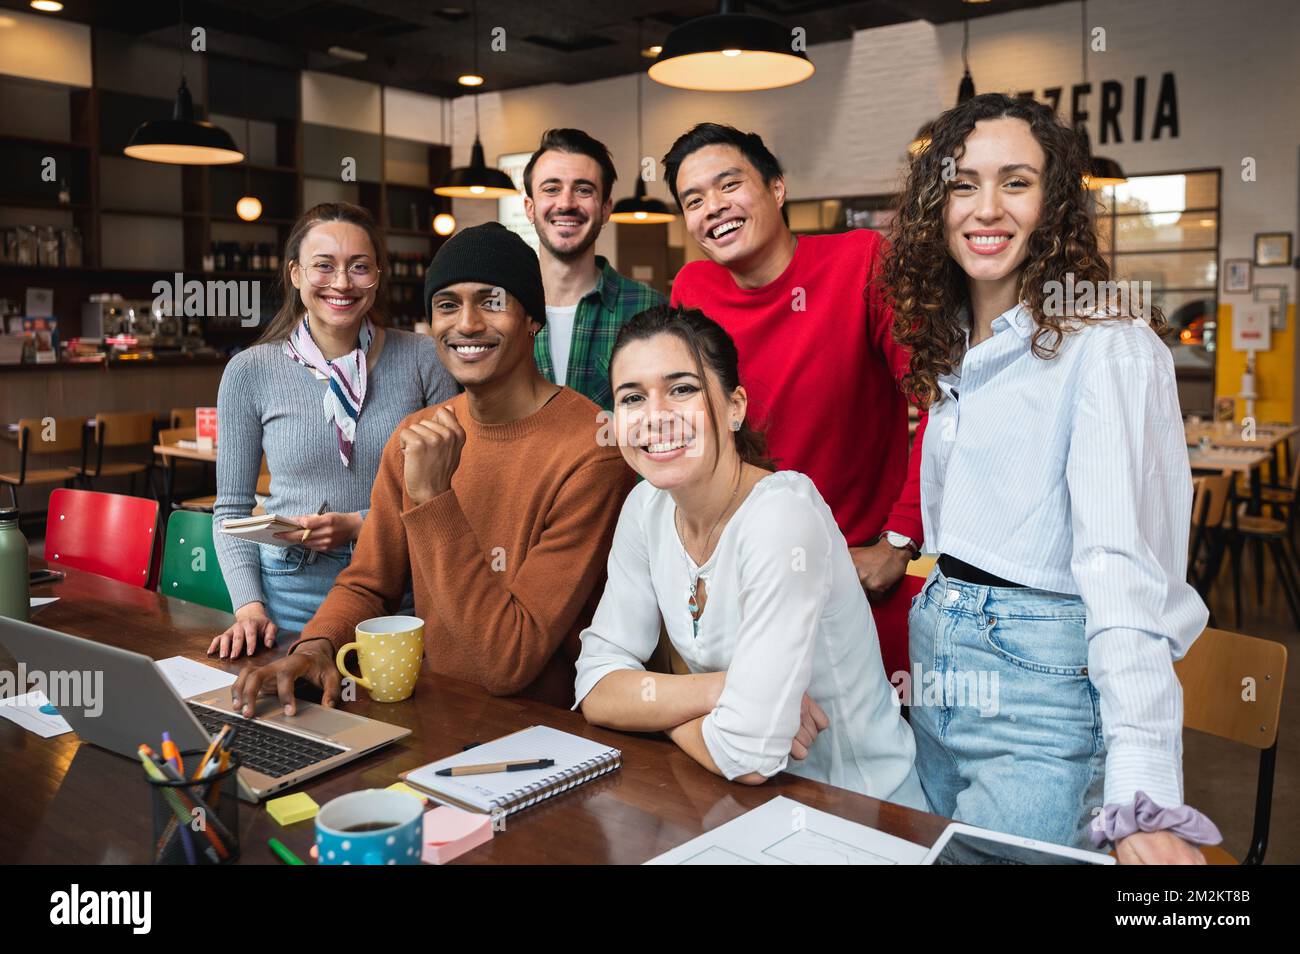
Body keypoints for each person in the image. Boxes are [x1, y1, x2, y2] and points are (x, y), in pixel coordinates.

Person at [884, 92, 1217, 862]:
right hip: (940, 660)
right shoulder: (957, 342)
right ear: (936, 205)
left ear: (1056, 201)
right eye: (964, 184)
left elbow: (1125, 574)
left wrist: (1145, 796)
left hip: (1043, 687)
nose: (985, 208)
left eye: (1017, 182)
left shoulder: (1107, 344)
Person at [213, 222, 636, 709]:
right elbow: (369, 584)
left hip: (538, 729)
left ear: (532, 319)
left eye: (492, 301)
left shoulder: (593, 449)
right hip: (431, 705)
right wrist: (314, 648)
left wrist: (435, 499)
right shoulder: (416, 433)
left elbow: (506, 663)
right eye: (447, 305)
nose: (468, 324)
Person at [574, 305, 924, 807]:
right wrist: (723, 692)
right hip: (735, 806)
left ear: (734, 406)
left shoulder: (783, 513)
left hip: (860, 812)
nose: (655, 416)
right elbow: (595, 685)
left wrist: (661, 711)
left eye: (682, 389)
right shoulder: (646, 506)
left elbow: (748, 755)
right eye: (633, 397)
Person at [664, 123, 925, 678]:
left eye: (728, 184)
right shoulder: (692, 288)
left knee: (873, 758)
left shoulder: (862, 262)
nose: (713, 207)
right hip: (744, 582)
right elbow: (694, 434)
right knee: (756, 755)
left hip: (857, 578)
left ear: (777, 188)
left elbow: (940, 402)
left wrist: (899, 541)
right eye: (693, 200)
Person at [211, 202, 455, 648]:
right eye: (324, 266)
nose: (342, 283)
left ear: (378, 275)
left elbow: (454, 489)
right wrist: (249, 608)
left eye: (359, 267)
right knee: (292, 712)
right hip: (287, 590)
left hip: (398, 587)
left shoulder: (424, 359)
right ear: (296, 274)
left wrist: (361, 524)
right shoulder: (250, 371)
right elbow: (230, 510)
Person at [523, 128, 664, 411]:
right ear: (529, 208)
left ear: (605, 209)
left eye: (583, 190)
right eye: (551, 189)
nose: (565, 203)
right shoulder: (502, 310)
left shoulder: (651, 309)